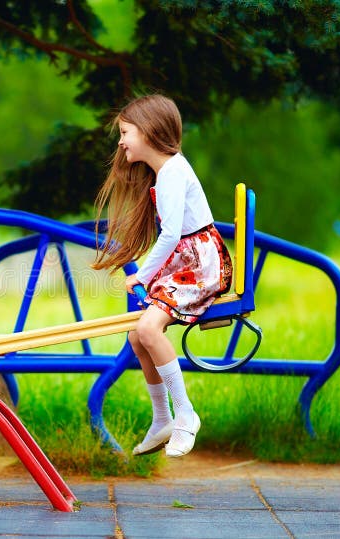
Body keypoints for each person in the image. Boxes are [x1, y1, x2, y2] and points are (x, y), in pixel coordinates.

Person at [93, 94, 232, 458]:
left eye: (125, 132)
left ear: (149, 132)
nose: (121, 141)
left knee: (148, 329)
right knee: (137, 337)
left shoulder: (172, 171)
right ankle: (162, 418)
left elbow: (171, 234)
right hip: (188, 262)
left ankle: (186, 415)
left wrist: (141, 275)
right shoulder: (168, 171)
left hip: (198, 267)